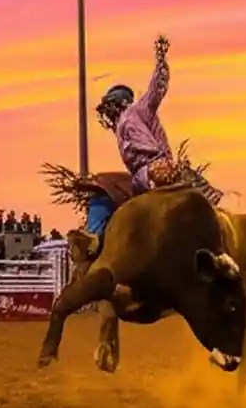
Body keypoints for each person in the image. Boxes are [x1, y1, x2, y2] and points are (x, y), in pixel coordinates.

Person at [82, 34, 214, 250]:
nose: (108, 112)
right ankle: (96, 236)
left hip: (154, 169)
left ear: (120, 102)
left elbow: (156, 90)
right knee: (101, 192)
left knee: (105, 184)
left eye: (111, 104)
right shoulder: (120, 129)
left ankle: (96, 237)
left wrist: (161, 62)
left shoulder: (138, 110)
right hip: (141, 177)